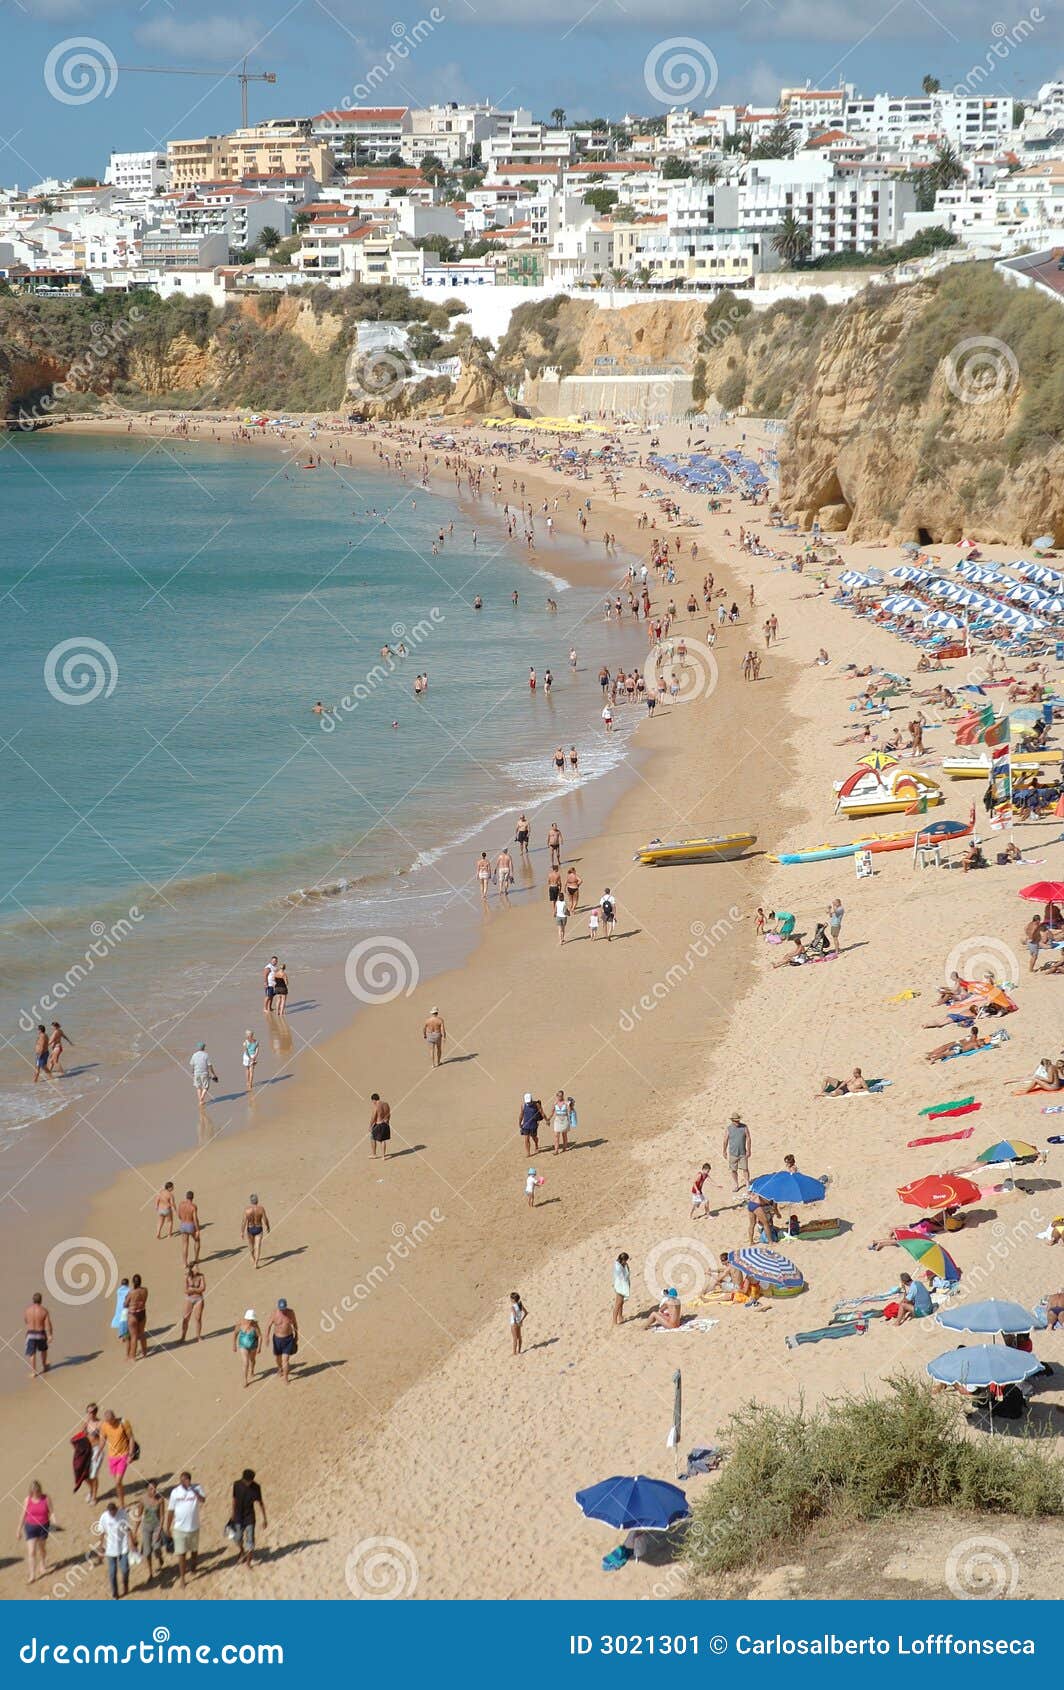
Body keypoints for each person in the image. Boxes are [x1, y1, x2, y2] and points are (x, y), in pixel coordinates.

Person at [166, 1472, 205, 1590]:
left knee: (194, 1551)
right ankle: (182, 1578)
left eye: (185, 1480)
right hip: (179, 1528)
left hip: (194, 1527)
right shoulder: (175, 1492)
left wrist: (193, 1491)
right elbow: (171, 1510)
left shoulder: (197, 1488)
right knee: (181, 1553)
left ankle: (193, 1566)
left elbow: (203, 1500)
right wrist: (167, 1527)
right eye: (181, 1480)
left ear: (189, 1480)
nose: (182, 1482)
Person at [18, 1481, 53, 1585]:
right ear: (31, 1491)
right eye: (34, 1492)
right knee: (31, 1551)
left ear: (40, 1490)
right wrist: (18, 1529)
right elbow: (23, 1514)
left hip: (43, 1527)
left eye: (37, 1491)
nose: (36, 1493)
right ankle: (32, 1575)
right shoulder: (27, 1500)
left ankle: (42, 1564)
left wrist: (54, 1520)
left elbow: (51, 1511)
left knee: (42, 1549)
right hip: (30, 1528)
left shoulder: (46, 1498)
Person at [230, 1469, 266, 1569]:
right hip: (238, 1516)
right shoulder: (237, 1485)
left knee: (250, 1540)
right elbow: (234, 1499)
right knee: (237, 1538)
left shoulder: (256, 1487)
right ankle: (242, 1550)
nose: (247, 1483)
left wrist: (264, 1518)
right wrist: (233, 1513)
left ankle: (248, 1562)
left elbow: (260, 1503)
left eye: (248, 1481)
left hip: (250, 1517)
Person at [131, 1480, 165, 1587]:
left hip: (156, 1527)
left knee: (157, 1548)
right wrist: (135, 1531)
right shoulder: (143, 1500)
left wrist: (160, 1530)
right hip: (146, 1528)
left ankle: (159, 1557)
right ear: (147, 1490)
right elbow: (139, 1516)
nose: (153, 1491)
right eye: (151, 1489)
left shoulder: (160, 1499)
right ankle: (150, 1573)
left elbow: (162, 1516)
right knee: (147, 1551)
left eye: (154, 1488)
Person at [96, 1499, 131, 1599]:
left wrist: (132, 1543)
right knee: (112, 1573)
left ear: (116, 1509)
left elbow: (128, 1529)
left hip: (123, 1546)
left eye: (113, 1511)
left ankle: (125, 1584)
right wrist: (100, 1546)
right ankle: (115, 1594)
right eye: (110, 1512)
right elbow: (102, 1532)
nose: (112, 1514)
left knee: (125, 1570)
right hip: (110, 1549)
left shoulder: (122, 1514)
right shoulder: (104, 1517)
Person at [100, 1410, 134, 1507]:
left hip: (123, 1455)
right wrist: (98, 1453)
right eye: (108, 1421)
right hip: (112, 1457)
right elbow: (103, 1440)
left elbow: (131, 1438)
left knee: (118, 1481)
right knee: (118, 1483)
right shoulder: (104, 1426)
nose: (110, 1423)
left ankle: (121, 1504)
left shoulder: (124, 1423)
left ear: (114, 1417)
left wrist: (131, 1454)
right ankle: (121, 1502)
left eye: (111, 1421)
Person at [265, 1298, 298, 1383]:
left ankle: (286, 1377)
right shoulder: (274, 1314)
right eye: (281, 1309)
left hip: (288, 1339)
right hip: (277, 1339)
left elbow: (295, 1324)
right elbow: (268, 1326)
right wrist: (267, 1337)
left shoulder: (291, 1313)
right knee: (277, 1358)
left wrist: (296, 1336)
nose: (282, 1311)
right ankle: (280, 1368)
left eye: (284, 1309)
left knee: (285, 1360)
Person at [23, 1291, 52, 1379]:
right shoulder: (44, 1311)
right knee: (43, 1350)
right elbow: (48, 1324)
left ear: (33, 1300)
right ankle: (44, 1366)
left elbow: (26, 1321)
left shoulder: (27, 1310)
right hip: (41, 1333)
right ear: (41, 1300)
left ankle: (33, 1372)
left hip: (31, 1334)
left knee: (32, 1353)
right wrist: (50, 1335)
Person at [233, 1310, 262, 1387]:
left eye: (251, 1320)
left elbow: (260, 1336)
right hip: (243, 1346)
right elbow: (235, 1334)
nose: (250, 1321)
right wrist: (234, 1345)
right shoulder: (240, 1324)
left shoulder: (255, 1325)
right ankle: (245, 1380)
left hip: (253, 1346)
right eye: (249, 1319)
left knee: (252, 1360)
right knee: (245, 1362)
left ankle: (252, 1371)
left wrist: (259, 1347)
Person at [723, 1113, 751, 1191]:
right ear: (732, 1121)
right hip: (733, 1153)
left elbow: (748, 1138)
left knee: (745, 1169)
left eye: (738, 1120)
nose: (737, 1122)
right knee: (733, 1170)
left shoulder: (744, 1127)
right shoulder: (729, 1129)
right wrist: (724, 1151)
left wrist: (749, 1150)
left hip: (743, 1153)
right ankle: (736, 1185)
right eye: (735, 1121)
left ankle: (747, 1184)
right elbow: (725, 1140)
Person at [242, 1193, 271, 1266]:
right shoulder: (261, 1208)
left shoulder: (247, 1210)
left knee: (251, 1245)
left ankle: (253, 1257)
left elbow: (244, 1222)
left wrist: (242, 1232)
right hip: (258, 1228)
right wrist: (268, 1226)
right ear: (257, 1200)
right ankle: (256, 1263)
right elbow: (265, 1219)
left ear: (251, 1201)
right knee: (257, 1246)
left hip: (250, 1228)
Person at [179, 1264, 205, 1343]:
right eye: (196, 1267)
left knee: (198, 1318)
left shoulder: (201, 1276)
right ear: (192, 1268)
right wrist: (197, 1290)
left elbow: (203, 1288)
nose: (198, 1268)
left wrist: (192, 1289)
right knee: (186, 1318)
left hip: (199, 1299)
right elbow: (185, 1290)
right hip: (189, 1299)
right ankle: (183, 1337)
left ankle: (198, 1336)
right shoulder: (187, 1276)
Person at [125, 1273, 148, 1361]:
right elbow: (144, 1300)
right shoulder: (145, 1290)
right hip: (142, 1312)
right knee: (142, 1333)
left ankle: (133, 1356)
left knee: (133, 1336)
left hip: (133, 1314)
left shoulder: (131, 1292)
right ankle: (144, 1352)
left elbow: (125, 1304)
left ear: (133, 1282)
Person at [177, 1191, 201, 1267]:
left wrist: (183, 1219)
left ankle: (185, 1263)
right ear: (192, 1197)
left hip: (183, 1224)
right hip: (190, 1225)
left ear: (186, 1196)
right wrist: (197, 1230)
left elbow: (179, 1215)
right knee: (197, 1240)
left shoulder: (181, 1204)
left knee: (185, 1244)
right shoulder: (193, 1206)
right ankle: (196, 1259)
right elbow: (195, 1219)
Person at [369, 1094, 391, 1159]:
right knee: (383, 1140)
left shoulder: (376, 1106)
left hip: (379, 1124)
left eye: (372, 1101)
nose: (373, 1103)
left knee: (372, 1138)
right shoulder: (386, 1104)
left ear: (373, 1100)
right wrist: (387, 1121)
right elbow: (389, 1114)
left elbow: (373, 1117)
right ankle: (383, 1156)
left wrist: (370, 1126)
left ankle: (374, 1154)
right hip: (385, 1124)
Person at [612, 1252, 631, 1326]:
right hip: (620, 1287)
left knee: (621, 1303)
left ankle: (620, 1317)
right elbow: (623, 1277)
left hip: (622, 1286)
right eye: (625, 1260)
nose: (626, 1262)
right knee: (618, 1303)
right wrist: (627, 1269)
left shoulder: (620, 1265)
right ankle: (614, 1321)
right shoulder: (618, 1267)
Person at [550, 1089, 571, 1154]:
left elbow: (569, 1111)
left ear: (563, 1096)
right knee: (556, 1135)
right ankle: (556, 1150)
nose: (560, 1097)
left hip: (564, 1119)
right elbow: (552, 1112)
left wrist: (569, 1106)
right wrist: (548, 1119)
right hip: (557, 1120)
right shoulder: (555, 1103)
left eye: (561, 1096)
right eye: (559, 1096)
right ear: (557, 1096)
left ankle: (564, 1148)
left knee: (564, 1134)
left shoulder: (566, 1103)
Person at [509, 1291, 527, 1355]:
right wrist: (521, 1320)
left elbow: (514, 1315)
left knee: (514, 1338)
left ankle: (514, 1352)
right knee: (519, 1337)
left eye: (511, 1298)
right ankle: (519, 1351)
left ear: (513, 1299)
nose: (510, 1299)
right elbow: (526, 1313)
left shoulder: (513, 1307)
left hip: (514, 1323)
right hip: (519, 1323)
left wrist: (515, 1322)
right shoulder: (520, 1305)